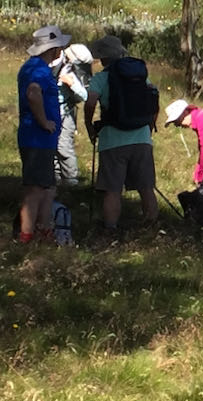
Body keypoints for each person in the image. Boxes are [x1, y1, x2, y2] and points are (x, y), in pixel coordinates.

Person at [83, 34, 157, 235]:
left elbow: (90, 102)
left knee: (113, 189)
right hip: (142, 138)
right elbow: (153, 97)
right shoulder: (139, 75)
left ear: (103, 57)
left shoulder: (101, 78)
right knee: (146, 187)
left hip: (112, 140)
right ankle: (151, 226)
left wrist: (89, 125)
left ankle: (110, 229)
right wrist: (149, 127)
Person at [16, 24, 71, 243]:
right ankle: (27, 235)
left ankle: (44, 230)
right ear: (53, 49)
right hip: (37, 138)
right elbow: (33, 93)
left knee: (47, 188)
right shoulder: (37, 69)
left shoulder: (37, 68)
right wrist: (44, 121)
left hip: (43, 140)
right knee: (36, 189)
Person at [53, 42, 93, 188]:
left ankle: (71, 180)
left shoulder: (70, 73)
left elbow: (85, 95)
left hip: (66, 114)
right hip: (52, 113)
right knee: (52, 146)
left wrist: (71, 84)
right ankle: (55, 177)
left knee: (63, 147)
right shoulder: (55, 65)